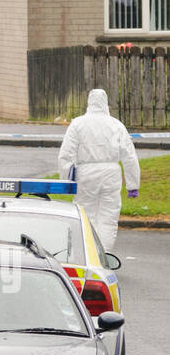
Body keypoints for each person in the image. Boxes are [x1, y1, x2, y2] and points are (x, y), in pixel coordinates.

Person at [58, 88, 141, 250]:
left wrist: (66, 180)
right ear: (106, 104)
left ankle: (88, 253)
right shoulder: (116, 125)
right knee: (108, 217)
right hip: (111, 175)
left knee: (86, 215)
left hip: (86, 174)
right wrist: (133, 185)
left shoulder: (78, 124)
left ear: (89, 103)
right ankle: (105, 255)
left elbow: (66, 155)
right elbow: (130, 156)